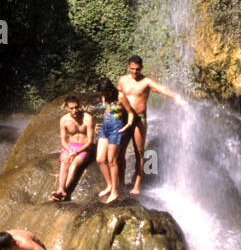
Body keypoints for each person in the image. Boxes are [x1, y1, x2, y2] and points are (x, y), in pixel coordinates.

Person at [116, 54, 187, 195]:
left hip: (139, 119)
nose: (134, 72)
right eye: (132, 69)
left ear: (141, 68)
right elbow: (117, 96)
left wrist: (176, 97)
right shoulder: (123, 80)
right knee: (120, 151)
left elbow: (161, 88)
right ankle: (121, 183)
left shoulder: (146, 81)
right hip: (124, 119)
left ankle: (137, 185)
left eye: (137, 69)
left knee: (139, 152)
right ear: (128, 67)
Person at [95, 77, 134, 205]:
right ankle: (109, 185)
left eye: (105, 92)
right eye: (102, 92)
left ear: (110, 89)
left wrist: (128, 125)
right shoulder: (104, 96)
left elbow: (130, 113)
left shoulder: (120, 97)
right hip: (105, 128)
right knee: (100, 159)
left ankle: (115, 191)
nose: (104, 95)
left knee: (112, 160)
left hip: (116, 130)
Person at [52, 95, 94, 201]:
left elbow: (90, 141)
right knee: (64, 162)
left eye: (76, 107)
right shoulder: (64, 120)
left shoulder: (87, 118)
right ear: (66, 108)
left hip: (84, 147)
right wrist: (70, 151)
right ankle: (60, 189)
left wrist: (76, 152)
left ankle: (63, 191)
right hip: (70, 146)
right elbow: (62, 140)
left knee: (74, 164)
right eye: (71, 108)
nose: (75, 110)